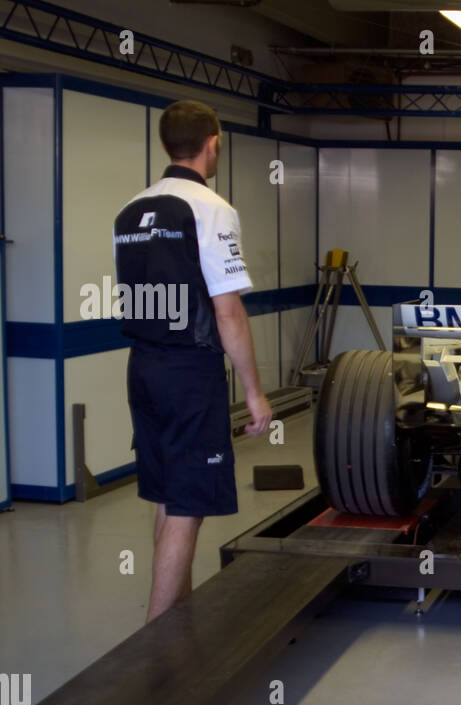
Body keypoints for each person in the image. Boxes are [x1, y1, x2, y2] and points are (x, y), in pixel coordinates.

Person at [114, 99, 272, 624]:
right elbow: (227, 311)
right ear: (213, 144)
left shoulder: (131, 210)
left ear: (164, 145)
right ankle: (154, 645)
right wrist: (253, 390)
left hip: (143, 368)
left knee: (167, 497)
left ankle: (173, 625)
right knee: (187, 506)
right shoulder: (211, 208)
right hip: (189, 372)